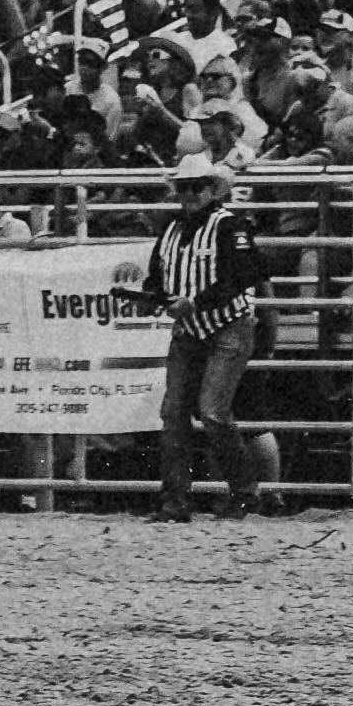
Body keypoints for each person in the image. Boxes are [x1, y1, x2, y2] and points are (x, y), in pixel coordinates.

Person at [142, 155, 283, 520]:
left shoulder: (230, 226)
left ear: (210, 189)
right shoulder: (172, 230)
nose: (189, 193)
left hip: (227, 327)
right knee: (176, 413)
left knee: (211, 411)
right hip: (194, 329)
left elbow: (243, 275)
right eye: (184, 187)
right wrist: (153, 298)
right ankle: (177, 499)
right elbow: (156, 275)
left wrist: (193, 303)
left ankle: (241, 492)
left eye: (196, 187)